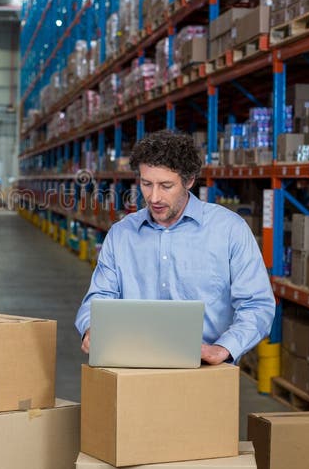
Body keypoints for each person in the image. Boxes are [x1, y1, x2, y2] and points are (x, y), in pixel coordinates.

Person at [75, 130, 275, 364]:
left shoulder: (229, 230)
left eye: (166, 185)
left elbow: (257, 304)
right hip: (133, 364)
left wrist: (223, 348)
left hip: (205, 369)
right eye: (146, 184)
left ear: (189, 181)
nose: (154, 197)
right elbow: (99, 296)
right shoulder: (121, 234)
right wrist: (92, 327)